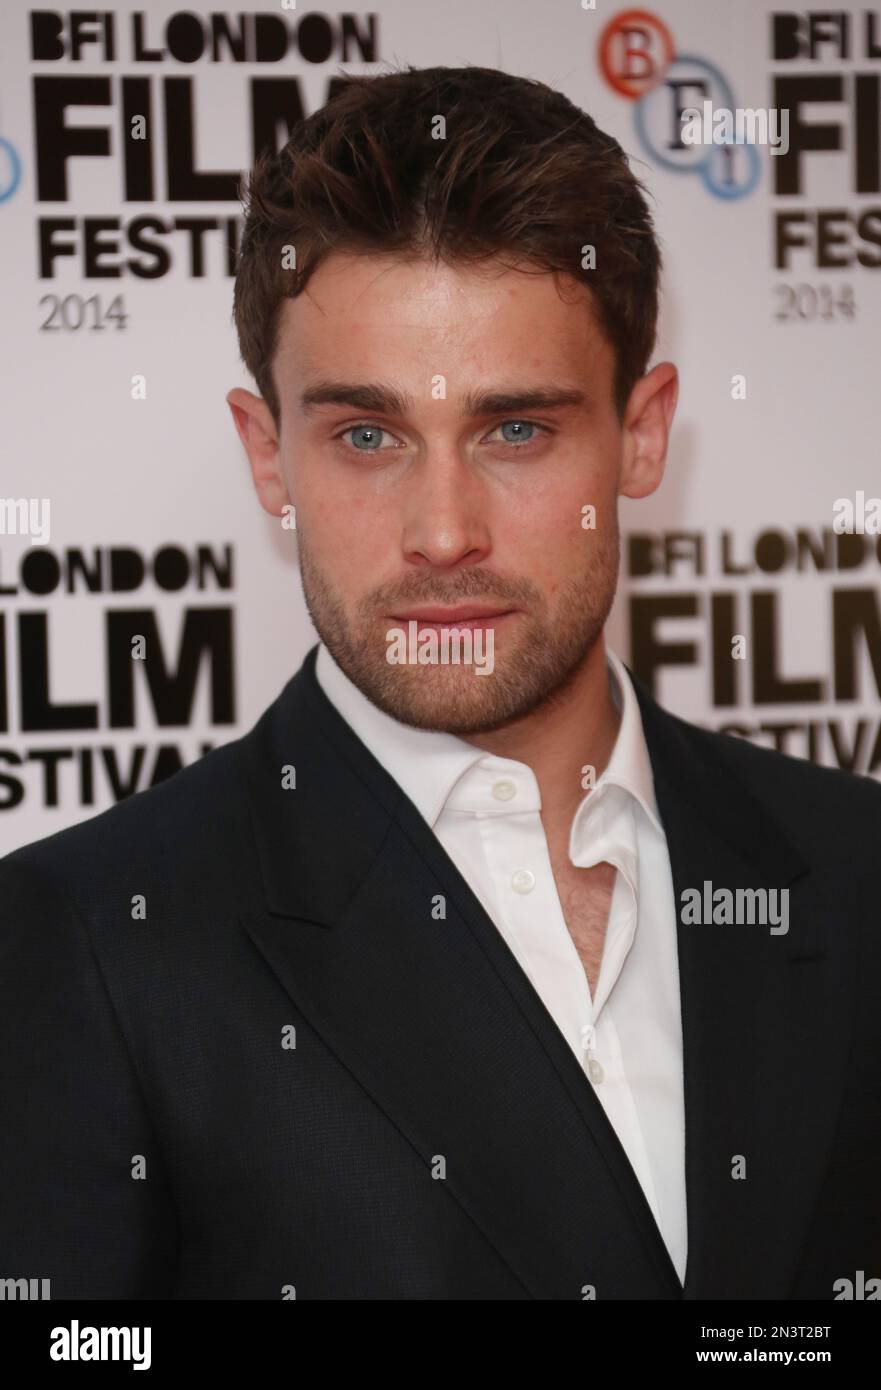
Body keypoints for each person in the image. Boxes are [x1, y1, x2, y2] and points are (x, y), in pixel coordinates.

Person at [2, 65, 879, 1301]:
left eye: (514, 429)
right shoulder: (92, 942)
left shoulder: (850, 866)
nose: (442, 530)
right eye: (366, 436)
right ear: (269, 454)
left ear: (639, 432)